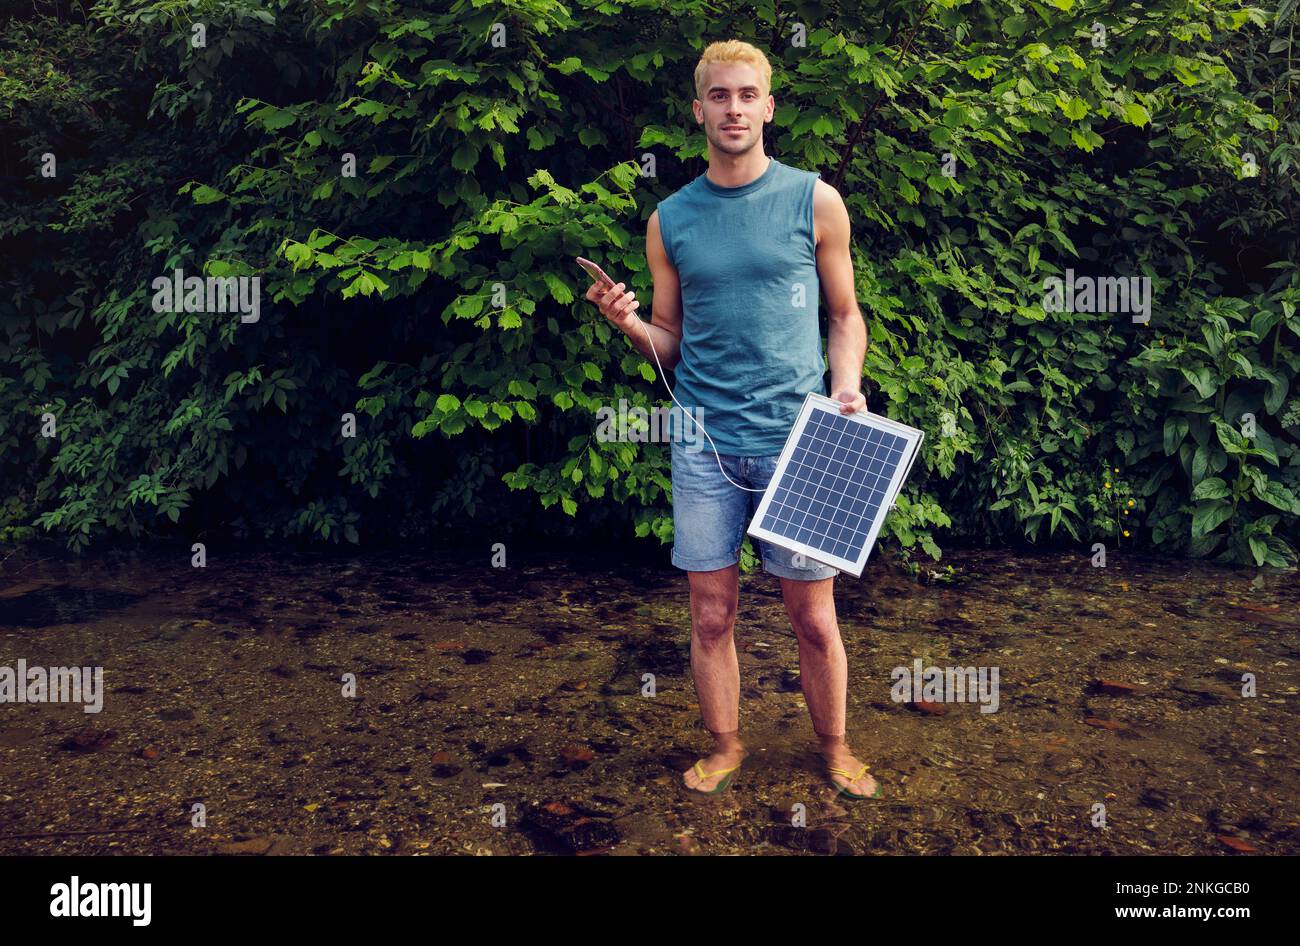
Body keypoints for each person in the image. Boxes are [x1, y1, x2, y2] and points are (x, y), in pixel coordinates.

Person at [584, 39, 877, 799]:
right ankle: (726, 745)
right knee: (712, 614)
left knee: (813, 618)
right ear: (698, 110)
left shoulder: (814, 200)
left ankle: (836, 748)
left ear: (769, 107)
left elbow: (845, 316)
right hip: (703, 444)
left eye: (748, 95)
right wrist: (626, 324)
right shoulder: (670, 219)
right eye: (720, 96)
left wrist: (847, 385)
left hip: (805, 438)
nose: (734, 108)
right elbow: (670, 344)